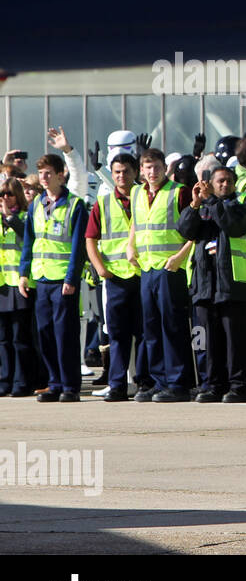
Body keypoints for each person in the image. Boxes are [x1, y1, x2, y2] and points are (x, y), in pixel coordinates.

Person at [179, 166, 246, 402]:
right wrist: (194, 204)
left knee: (235, 341)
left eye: (229, 181)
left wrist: (211, 200)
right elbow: (184, 230)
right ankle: (212, 384)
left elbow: (232, 225)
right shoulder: (203, 206)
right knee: (209, 341)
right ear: (211, 182)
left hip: (231, 284)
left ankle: (238, 386)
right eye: (220, 181)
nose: (225, 185)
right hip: (205, 284)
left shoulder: (240, 204)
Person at [127, 148, 196, 402]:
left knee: (172, 326)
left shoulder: (179, 192)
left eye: (156, 167)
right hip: (147, 268)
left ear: (164, 167)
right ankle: (159, 380)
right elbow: (136, 221)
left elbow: (194, 229)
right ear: (141, 170)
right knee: (151, 328)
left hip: (170, 268)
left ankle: (178, 382)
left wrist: (179, 257)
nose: (152, 172)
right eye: (147, 168)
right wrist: (130, 245)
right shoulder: (137, 192)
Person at [19, 153, 89, 402]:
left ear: (61, 175)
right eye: (42, 173)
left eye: (49, 173)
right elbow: (30, 241)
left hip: (62, 280)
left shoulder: (74, 205)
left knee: (65, 334)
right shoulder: (36, 205)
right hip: (42, 277)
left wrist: (71, 278)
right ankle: (54, 382)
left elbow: (79, 247)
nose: (45, 178)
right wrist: (24, 274)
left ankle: (70, 385)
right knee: (45, 333)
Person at [84, 153, 143, 402]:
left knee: (143, 333)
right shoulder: (104, 202)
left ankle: (143, 382)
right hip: (116, 277)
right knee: (117, 334)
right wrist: (99, 268)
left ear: (134, 172)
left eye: (126, 171)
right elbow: (91, 239)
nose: (121, 176)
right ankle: (117, 384)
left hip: (142, 275)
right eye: (117, 172)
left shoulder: (145, 198)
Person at [0, 179, 37, 397]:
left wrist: (10, 218)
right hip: (3, 284)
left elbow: (28, 238)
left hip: (20, 283)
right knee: (3, 339)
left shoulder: (24, 217)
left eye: (9, 194)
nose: (4, 199)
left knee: (20, 337)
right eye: (1, 195)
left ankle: (22, 380)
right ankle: (5, 379)